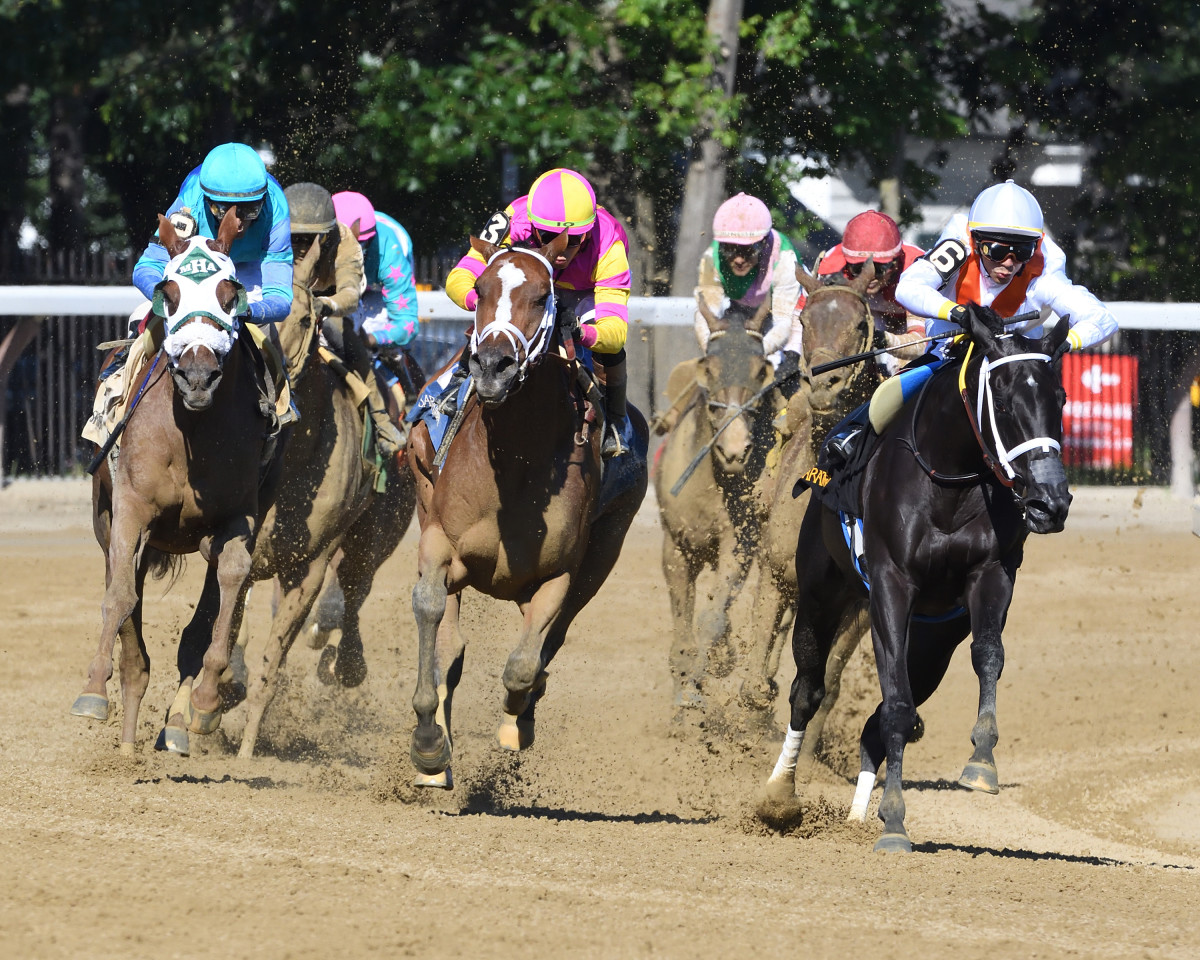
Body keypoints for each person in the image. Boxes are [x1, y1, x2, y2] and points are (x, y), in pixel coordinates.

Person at [826, 179, 1118, 466]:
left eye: (1021, 252)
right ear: (977, 242)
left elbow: (1103, 320)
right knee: (892, 395)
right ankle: (854, 435)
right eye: (998, 251)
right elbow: (908, 288)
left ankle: (1045, 473)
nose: (1009, 262)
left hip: (1011, 363)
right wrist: (959, 314)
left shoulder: (1044, 268)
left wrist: (1061, 345)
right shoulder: (958, 244)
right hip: (950, 354)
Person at [442, 167, 633, 456]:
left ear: (589, 231)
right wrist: (480, 300)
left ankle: (617, 422)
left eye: (574, 239)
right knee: (496, 311)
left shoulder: (609, 243)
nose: (560, 249)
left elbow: (615, 332)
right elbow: (459, 277)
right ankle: (456, 385)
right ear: (532, 226)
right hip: (527, 289)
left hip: (583, 294)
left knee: (608, 350)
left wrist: (580, 331)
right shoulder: (513, 219)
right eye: (547, 235)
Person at [652, 193, 799, 437]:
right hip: (741, 309)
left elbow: (784, 324)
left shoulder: (784, 258)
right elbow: (704, 316)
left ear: (763, 244)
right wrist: (715, 351)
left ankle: (790, 422)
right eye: (730, 249)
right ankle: (677, 414)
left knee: (782, 370)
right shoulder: (711, 258)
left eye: (748, 250)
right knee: (716, 365)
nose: (739, 259)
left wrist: (754, 352)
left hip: (788, 314)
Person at [284, 182, 403, 457]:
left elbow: (350, 294)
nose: (302, 246)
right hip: (285, 298)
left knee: (346, 342)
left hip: (329, 303)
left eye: (310, 238)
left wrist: (325, 305)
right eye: (296, 237)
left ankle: (383, 423)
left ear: (327, 234)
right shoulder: (272, 233)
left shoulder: (346, 241)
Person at [133, 142, 293, 324]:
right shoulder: (189, 205)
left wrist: (246, 311)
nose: (237, 223)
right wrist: (166, 296)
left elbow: (280, 297)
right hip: (193, 270)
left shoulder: (276, 211)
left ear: (263, 200)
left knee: (266, 328)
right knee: (143, 319)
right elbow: (148, 266)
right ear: (207, 201)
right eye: (222, 210)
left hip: (251, 268)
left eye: (250, 210)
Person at [796, 210, 926, 377]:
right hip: (867, 317)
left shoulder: (916, 270)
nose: (869, 277)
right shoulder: (831, 265)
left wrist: (884, 339)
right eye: (858, 268)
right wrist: (795, 357)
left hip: (909, 325)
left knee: (899, 366)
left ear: (895, 264)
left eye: (879, 268)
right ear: (846, 263)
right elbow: (801, 318)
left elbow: (922, 344)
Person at [330, 190, 420, 354]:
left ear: (370, 240)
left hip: (380, 279)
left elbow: (407, 324)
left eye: (360, 244)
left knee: (370, 326)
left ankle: (396, 361)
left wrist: (371, 339)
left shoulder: (390, 255)